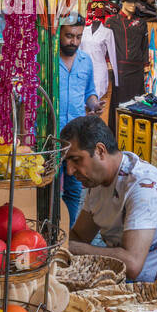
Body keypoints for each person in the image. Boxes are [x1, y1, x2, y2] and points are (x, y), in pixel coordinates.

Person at [61, 115, 157, 293]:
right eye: (67, 163)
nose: (70, 171)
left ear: (100, 151)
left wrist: (70, 247)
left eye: (76, 160)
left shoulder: (143, 185)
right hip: (129, 282)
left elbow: (132, 264)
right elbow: (80, 235)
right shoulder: (97, 181)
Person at [55, 13, 101, 226]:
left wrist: (94, 104)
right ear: (58, 33)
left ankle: (68, 234)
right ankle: (49, 231)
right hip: (51, 135)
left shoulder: (85, 61)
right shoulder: (47, 59)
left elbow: (89, 93)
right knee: (50, 189)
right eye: (69, 36)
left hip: (76, 137)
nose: (73, 41)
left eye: (78, 37)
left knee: (73, 190)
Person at [107, 0, 149, 117]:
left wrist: (146, 64)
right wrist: (108, 62)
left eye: (134, 2)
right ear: (122, 2)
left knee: (137, 102)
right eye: (129, 2)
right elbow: (106, 45)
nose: (132, 5)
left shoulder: (141, 23)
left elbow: (144, 45)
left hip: (137, 69)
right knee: (119, 102)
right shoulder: (112, 22)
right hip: (121, 68)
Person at [80, 0, 119, 123]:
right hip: (83, 70)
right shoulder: (83, 31)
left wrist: (117, 80)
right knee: (84, 103)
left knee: (98, 103)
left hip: (99, 70)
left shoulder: (108, 32)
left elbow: (113, 55)